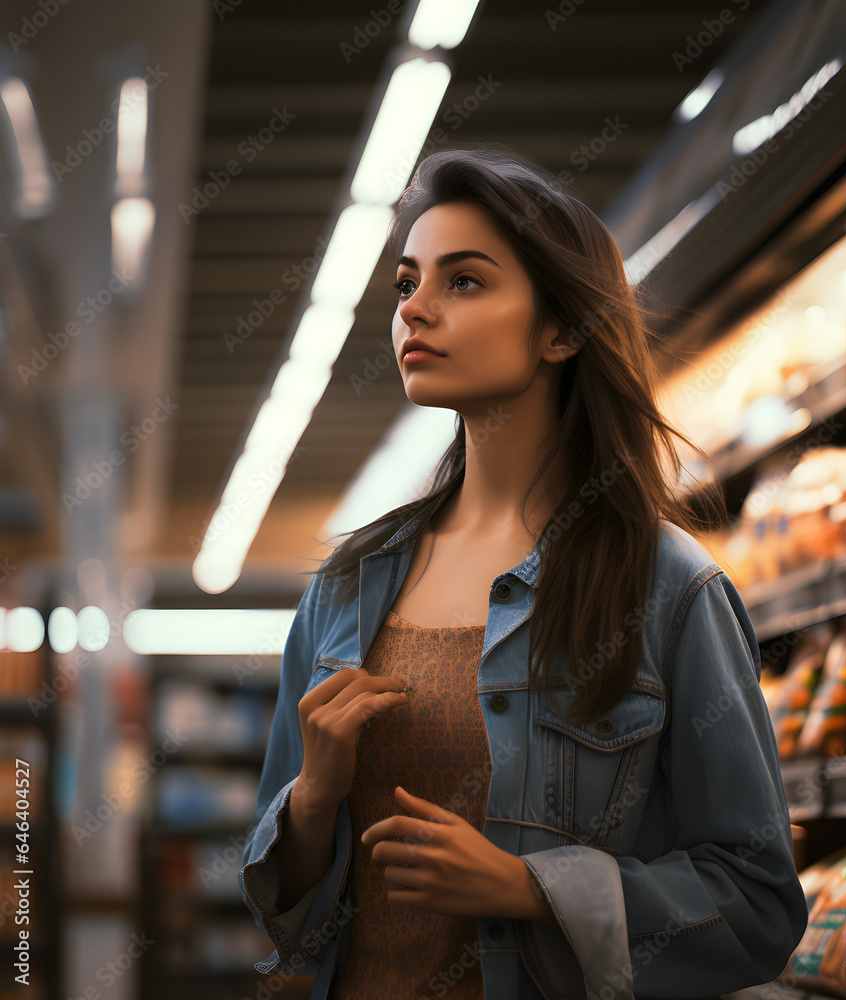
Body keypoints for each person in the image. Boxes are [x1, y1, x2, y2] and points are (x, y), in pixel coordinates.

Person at [239, 145, 809, 1000]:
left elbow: (758, 905)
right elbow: (286, 922)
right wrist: (313, 803)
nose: (414, 311)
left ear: (563, 330)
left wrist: (529, 888)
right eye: (406, 284)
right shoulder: (345, 588)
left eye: (462, 282)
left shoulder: (666, 588)